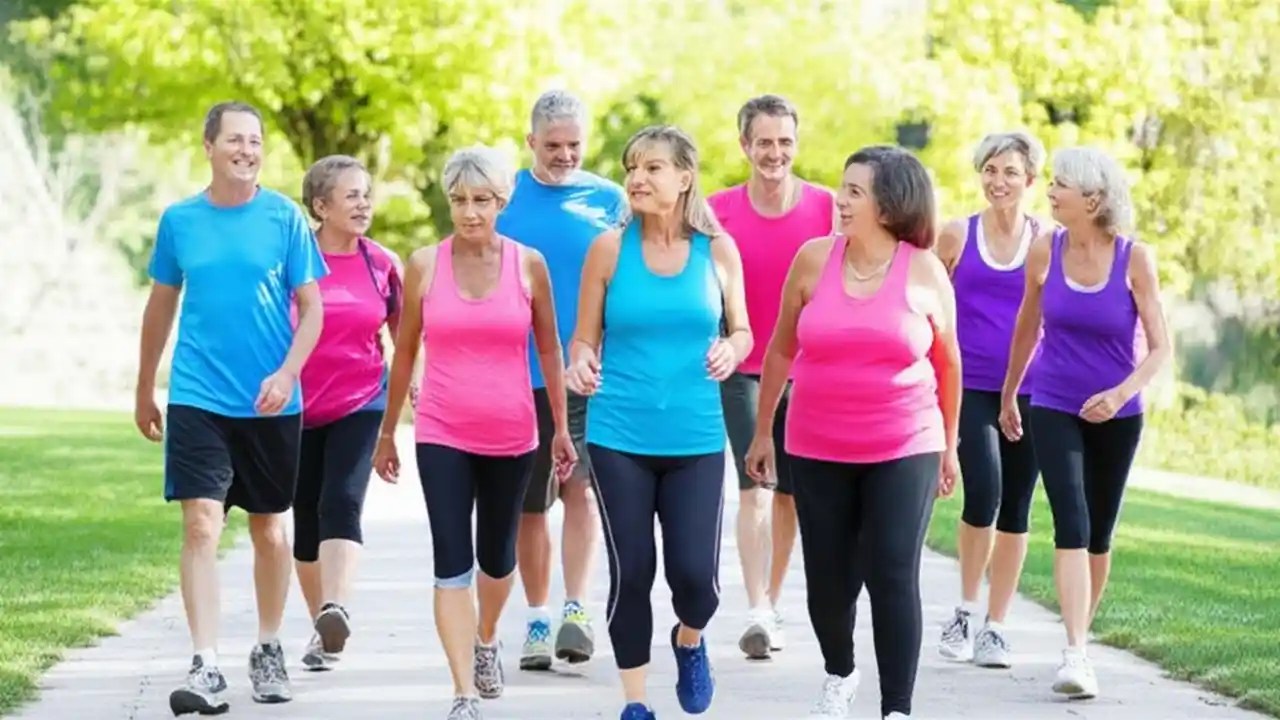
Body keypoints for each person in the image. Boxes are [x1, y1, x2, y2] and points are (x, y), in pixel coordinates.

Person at [746, 146, 961, 720]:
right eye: (842, 189)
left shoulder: (923, 269)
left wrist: (951, 445)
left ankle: (897, 709)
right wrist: (763, 430)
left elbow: (948, 364)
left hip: (906, 442)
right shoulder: (813, 260)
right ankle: (840, 674)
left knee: (892, 569)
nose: (840, 200)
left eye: (855, 192)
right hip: (817, 444)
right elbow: (782, 349)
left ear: (889, 206)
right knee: (828, 584)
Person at [133, 101, 328, 715]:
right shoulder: (180, 221)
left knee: (270, 529)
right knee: (200, 524)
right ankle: (206, 663)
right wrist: (145, 386)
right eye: (236, 140)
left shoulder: (285, 218)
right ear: (209, 146)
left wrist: (288, 372)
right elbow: (161, 307)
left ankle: (268, 647)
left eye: (256, 141)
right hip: (198, 395)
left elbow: (313, 308)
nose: (247, 149)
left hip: (270, 399)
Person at [372, 145, 577, 720]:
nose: (469, 212)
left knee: (496, 561)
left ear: (502, 201)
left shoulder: (528, 265)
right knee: (451, 562)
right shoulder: (424, 265)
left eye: (481, 201)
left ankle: (487, 637)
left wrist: (561, 427)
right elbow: (406, 348)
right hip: (441, 430)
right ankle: (462, 692)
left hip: (513, 434)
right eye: (459, 200)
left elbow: (549, 346)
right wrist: (388, 432)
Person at [566, 125, 751, 720]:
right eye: (632, 168)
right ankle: (636, 702)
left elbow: (742, 329)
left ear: (684, 177)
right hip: (619, 433)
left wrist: (733, 349)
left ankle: (689, 641)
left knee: (697, 580)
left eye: (651, 168)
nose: (637, 179)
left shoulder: (716, 250)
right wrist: (580, 364)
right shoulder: (608, 250)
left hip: (695, 437)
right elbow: (583, 340)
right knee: (634, 570)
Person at [999, 146, 1169, 700]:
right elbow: (1027, 328)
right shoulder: (1045, 250)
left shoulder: (1135, 259)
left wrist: (1120, 395)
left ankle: (1081, 642)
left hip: (1118, 412)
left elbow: (1160, 349)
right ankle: (1073, 653)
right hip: (1052, 400)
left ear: (1092, 198)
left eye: (1059, 185)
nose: (1048, 192)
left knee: (1098, 535)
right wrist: (1008, 395)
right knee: (1069, 518)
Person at [497, 89, 627, 670]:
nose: (565, 154)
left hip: (589, 375)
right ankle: (537, 617)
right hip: (518, 374)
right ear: (531, 142)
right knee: (530, 504)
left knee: (583, 491)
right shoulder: (506, 199)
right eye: (553, 145)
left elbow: (626, 283)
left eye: (575, 144)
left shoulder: (610, 200)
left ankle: (576, 609)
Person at [707, 94, 837, 661]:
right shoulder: (714, 212)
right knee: (754, 486)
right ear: (744, 146)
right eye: (763, 142)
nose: (774, 153)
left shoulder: (829, 208)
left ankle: (772, 603)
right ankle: (758, 605)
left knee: (788, 495)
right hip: (744, 367)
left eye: (784, 142)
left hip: (808, 371)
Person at [933, 131, 1047, 668]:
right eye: (990, 170)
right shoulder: (957, 235)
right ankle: (964, 609)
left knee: (1018, 505)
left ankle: (996, 627)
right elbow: (927, 303)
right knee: (985, 490)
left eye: (1009, 172)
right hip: (972, 384)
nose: (998, 181)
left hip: (1031, 388)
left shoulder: (1047, 241)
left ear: (1030, 180)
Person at [292, 154, 409, 671]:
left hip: (361, 398)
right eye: (351, 195)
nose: (364, 204)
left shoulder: (381, 263)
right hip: (294, 405)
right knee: (303, 517)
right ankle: (322, 627)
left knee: (340, 500)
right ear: (321, 206)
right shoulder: (293, 260)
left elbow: (405, 339)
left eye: (367, 194)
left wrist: (404, 408)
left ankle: (337, 605)